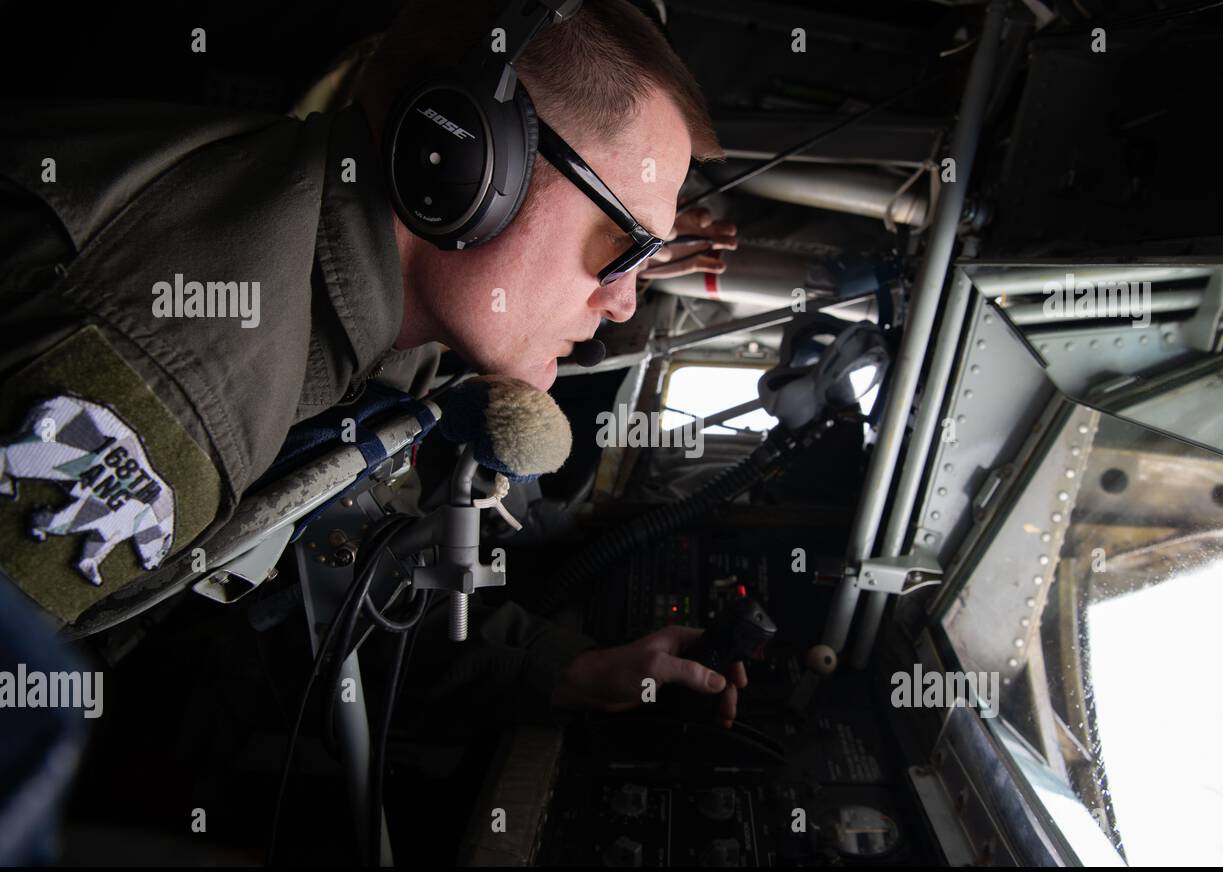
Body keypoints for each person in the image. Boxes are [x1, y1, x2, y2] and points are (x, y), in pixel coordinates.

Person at [0, 0, 744, 731]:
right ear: (465, 154)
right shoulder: (187, 377)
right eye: (624, 242)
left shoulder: (386, 334)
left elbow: (337, 572)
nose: (623, 303)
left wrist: (565, 670)